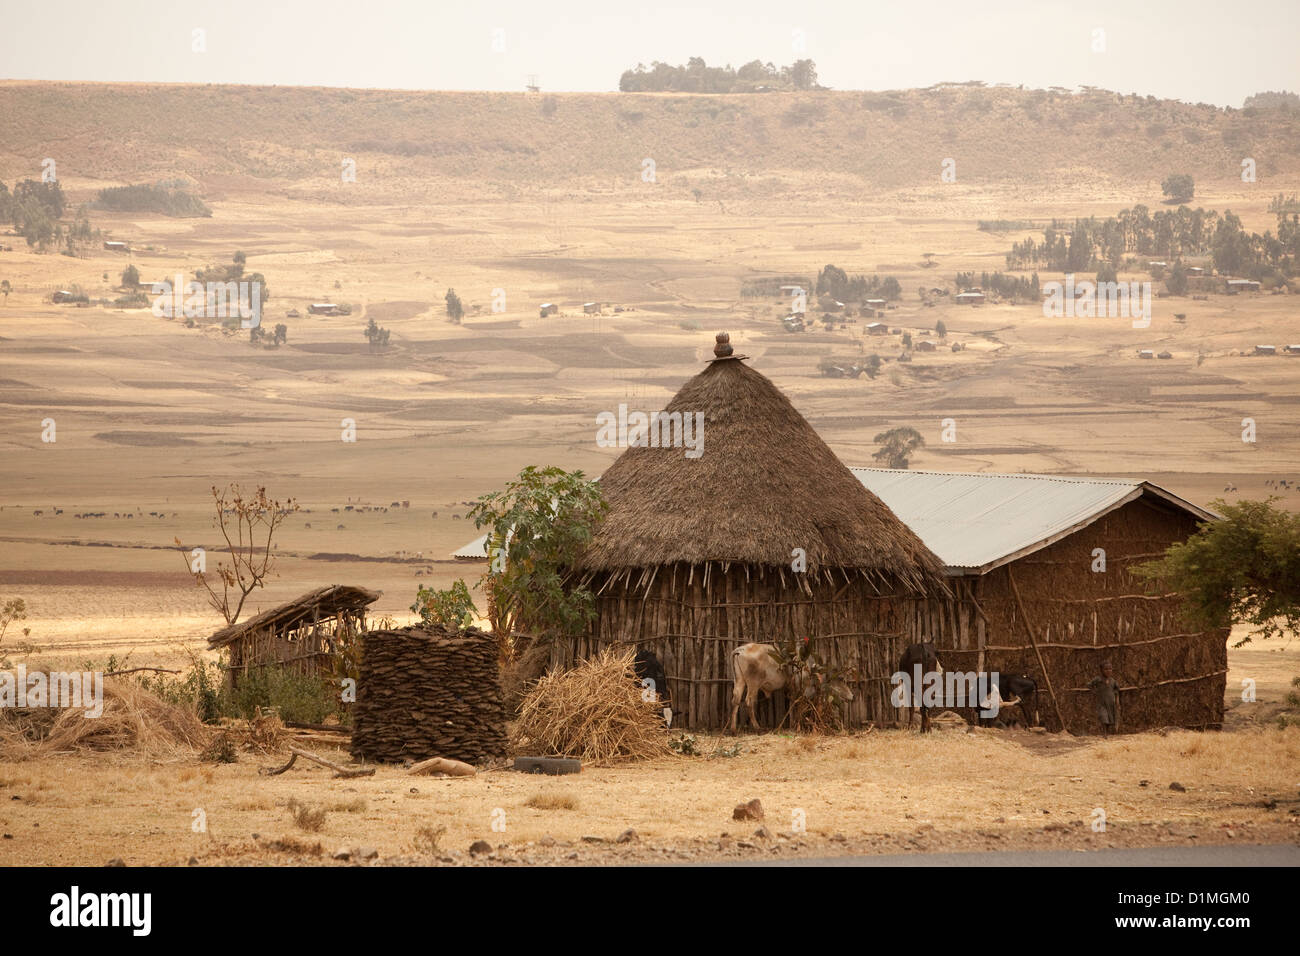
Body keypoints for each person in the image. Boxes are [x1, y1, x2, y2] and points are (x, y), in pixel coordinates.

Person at [1087, 661, 1121, 736]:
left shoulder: (1113, 681)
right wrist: (1094, 691)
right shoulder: (1098, 679)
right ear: (1101, 670)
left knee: (1109, 718)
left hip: (1111, 703)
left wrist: (1117, 700)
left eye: (1110, 669)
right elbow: (1089, 685)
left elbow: (1117, 689)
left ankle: (1107, 732)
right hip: (1102, 703)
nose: (1108, 671)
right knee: (1103, 717)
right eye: (1106, 669)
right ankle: (1104, 733)